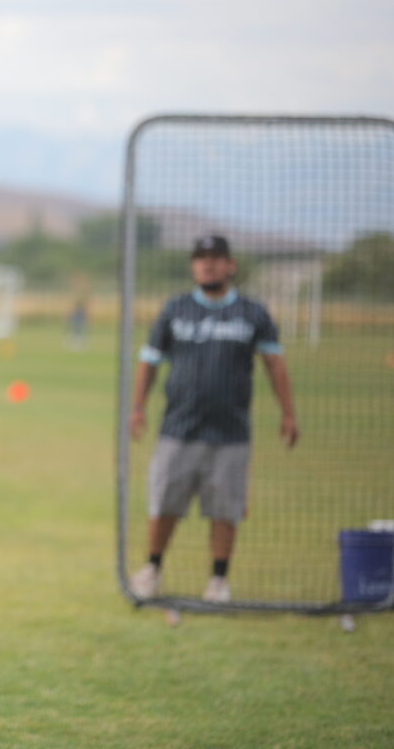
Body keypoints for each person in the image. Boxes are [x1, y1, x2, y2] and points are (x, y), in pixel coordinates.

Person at [128, 235, 298, 603]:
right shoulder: (176, 309)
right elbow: (149, 361)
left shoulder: (252, 313)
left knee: (225, 508)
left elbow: (274, 364)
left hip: (230, 432)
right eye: (201, 258)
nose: (208, 265)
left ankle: (218, 581)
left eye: (216, 258)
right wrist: (137, 407)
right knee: (164, 502)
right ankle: (152, 568)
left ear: (230, 265)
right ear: (193, 265)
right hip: (178, 428)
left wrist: (288, 412)